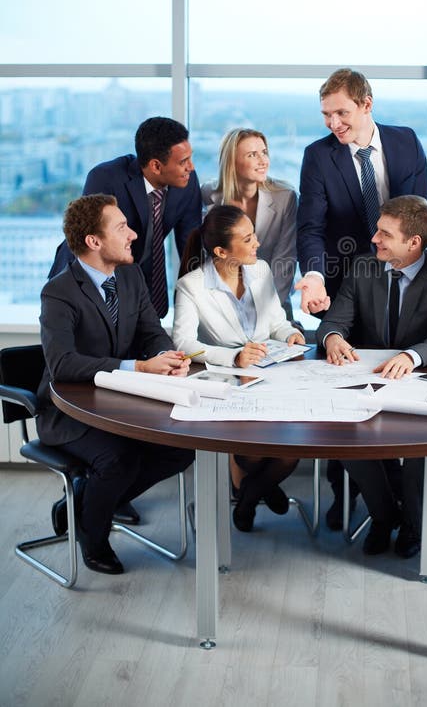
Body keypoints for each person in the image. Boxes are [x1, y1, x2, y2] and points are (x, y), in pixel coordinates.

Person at [296, 68, 427, 527]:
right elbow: (310, 226)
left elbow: (421, 214)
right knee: (340, 390)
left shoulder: (406, 142)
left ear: (366, 103)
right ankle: (346, 493)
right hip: (343, 282)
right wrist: (313, 276)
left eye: (342, 112)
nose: (334, 123)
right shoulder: (318, 156)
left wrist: (408, 270)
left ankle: (400, 500)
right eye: (326, 114)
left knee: (398, 383)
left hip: (400, 278)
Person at [37, 194, 195, 575]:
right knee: (119, 459)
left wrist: (168, 358)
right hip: (68, 411)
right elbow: (62, 363)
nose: (134, 234)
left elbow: (151, 332)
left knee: (179, 451)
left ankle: (85, 502)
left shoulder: (130, 275)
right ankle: (94, 536)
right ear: (94, 241)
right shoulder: (59, 292)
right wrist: (138, 367)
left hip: (122, 402)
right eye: (122, 227)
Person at [316, 196, 427, 557]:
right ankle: (383, 516)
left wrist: (411, 356)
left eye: (385, 233)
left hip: (421, 378)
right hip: (367, 378)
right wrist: (333, 337)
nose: (374, 239)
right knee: (345, 436)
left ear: (413, 243)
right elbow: (335, 321)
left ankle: (413, 526)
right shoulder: (364, 267)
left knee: (419, 449)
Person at [172, 205, 306, 533]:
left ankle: (248, 495)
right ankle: (259, 491)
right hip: (229, 382)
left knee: (290, 451)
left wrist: (291, 335)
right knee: (250, 455)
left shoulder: (259, 270)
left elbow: (276, 321)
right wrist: (233, 358)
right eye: (248, 239)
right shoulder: (192, 286)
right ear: (221, 251)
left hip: (272, 373)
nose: (257, 243)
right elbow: (183, 343)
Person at [49, 116, 203, 318]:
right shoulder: (106, 178)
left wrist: (197, 303)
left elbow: (190, 247)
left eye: (190, 158)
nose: (190, 167)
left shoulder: (186, 181)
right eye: (183, 161)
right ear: (156, 166)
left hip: (143, 278)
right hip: (87, 281)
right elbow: (93, 247)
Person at [201, 128, 297, 316]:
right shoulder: (208, 193)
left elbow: (284, 263)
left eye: (264, 152)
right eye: (252, 155)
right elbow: (208, 259)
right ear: (232, 162)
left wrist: (263, 316)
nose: (263, 161)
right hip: (221, 307)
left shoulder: (285, 197)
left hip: (272, 303)